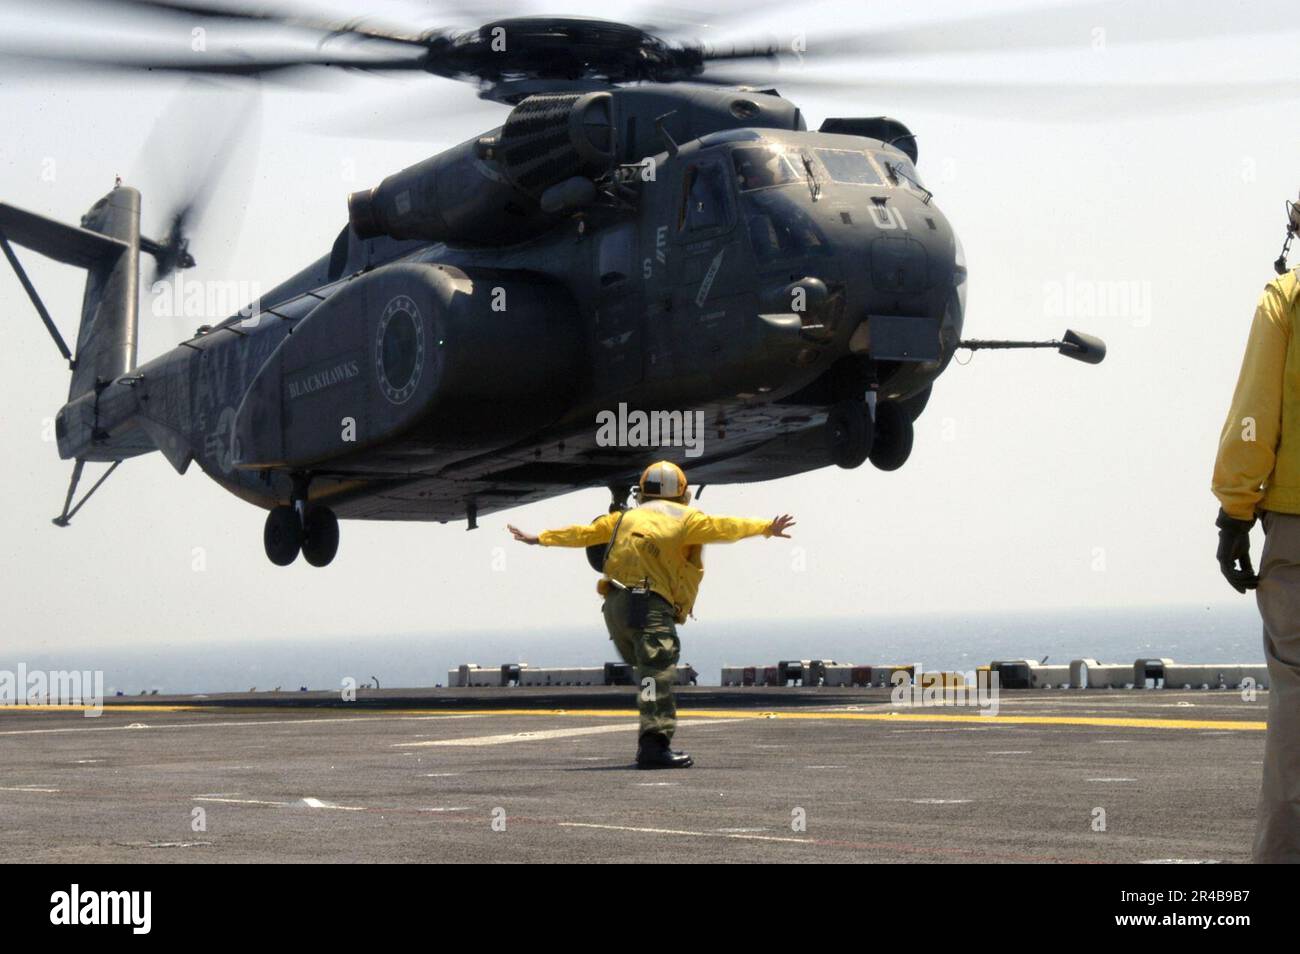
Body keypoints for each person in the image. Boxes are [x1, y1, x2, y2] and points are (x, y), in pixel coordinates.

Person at [508, 460, 795, 769]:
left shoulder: (623, 518)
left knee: (648, 673)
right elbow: (727, 527)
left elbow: (586, 533)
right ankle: (653, 747)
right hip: (648, 606)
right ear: (682, 494)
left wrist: (540, 538)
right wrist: (767, 527)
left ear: (641, 493)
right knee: (657, 674)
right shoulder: (687, 518)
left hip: (616, 608)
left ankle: (651, 742)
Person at [1212, 265, 1300, 863]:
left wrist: (1235, 512)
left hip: (1296, 523)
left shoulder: (1287, 298)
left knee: (1295, 694)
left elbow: (1254, 414)